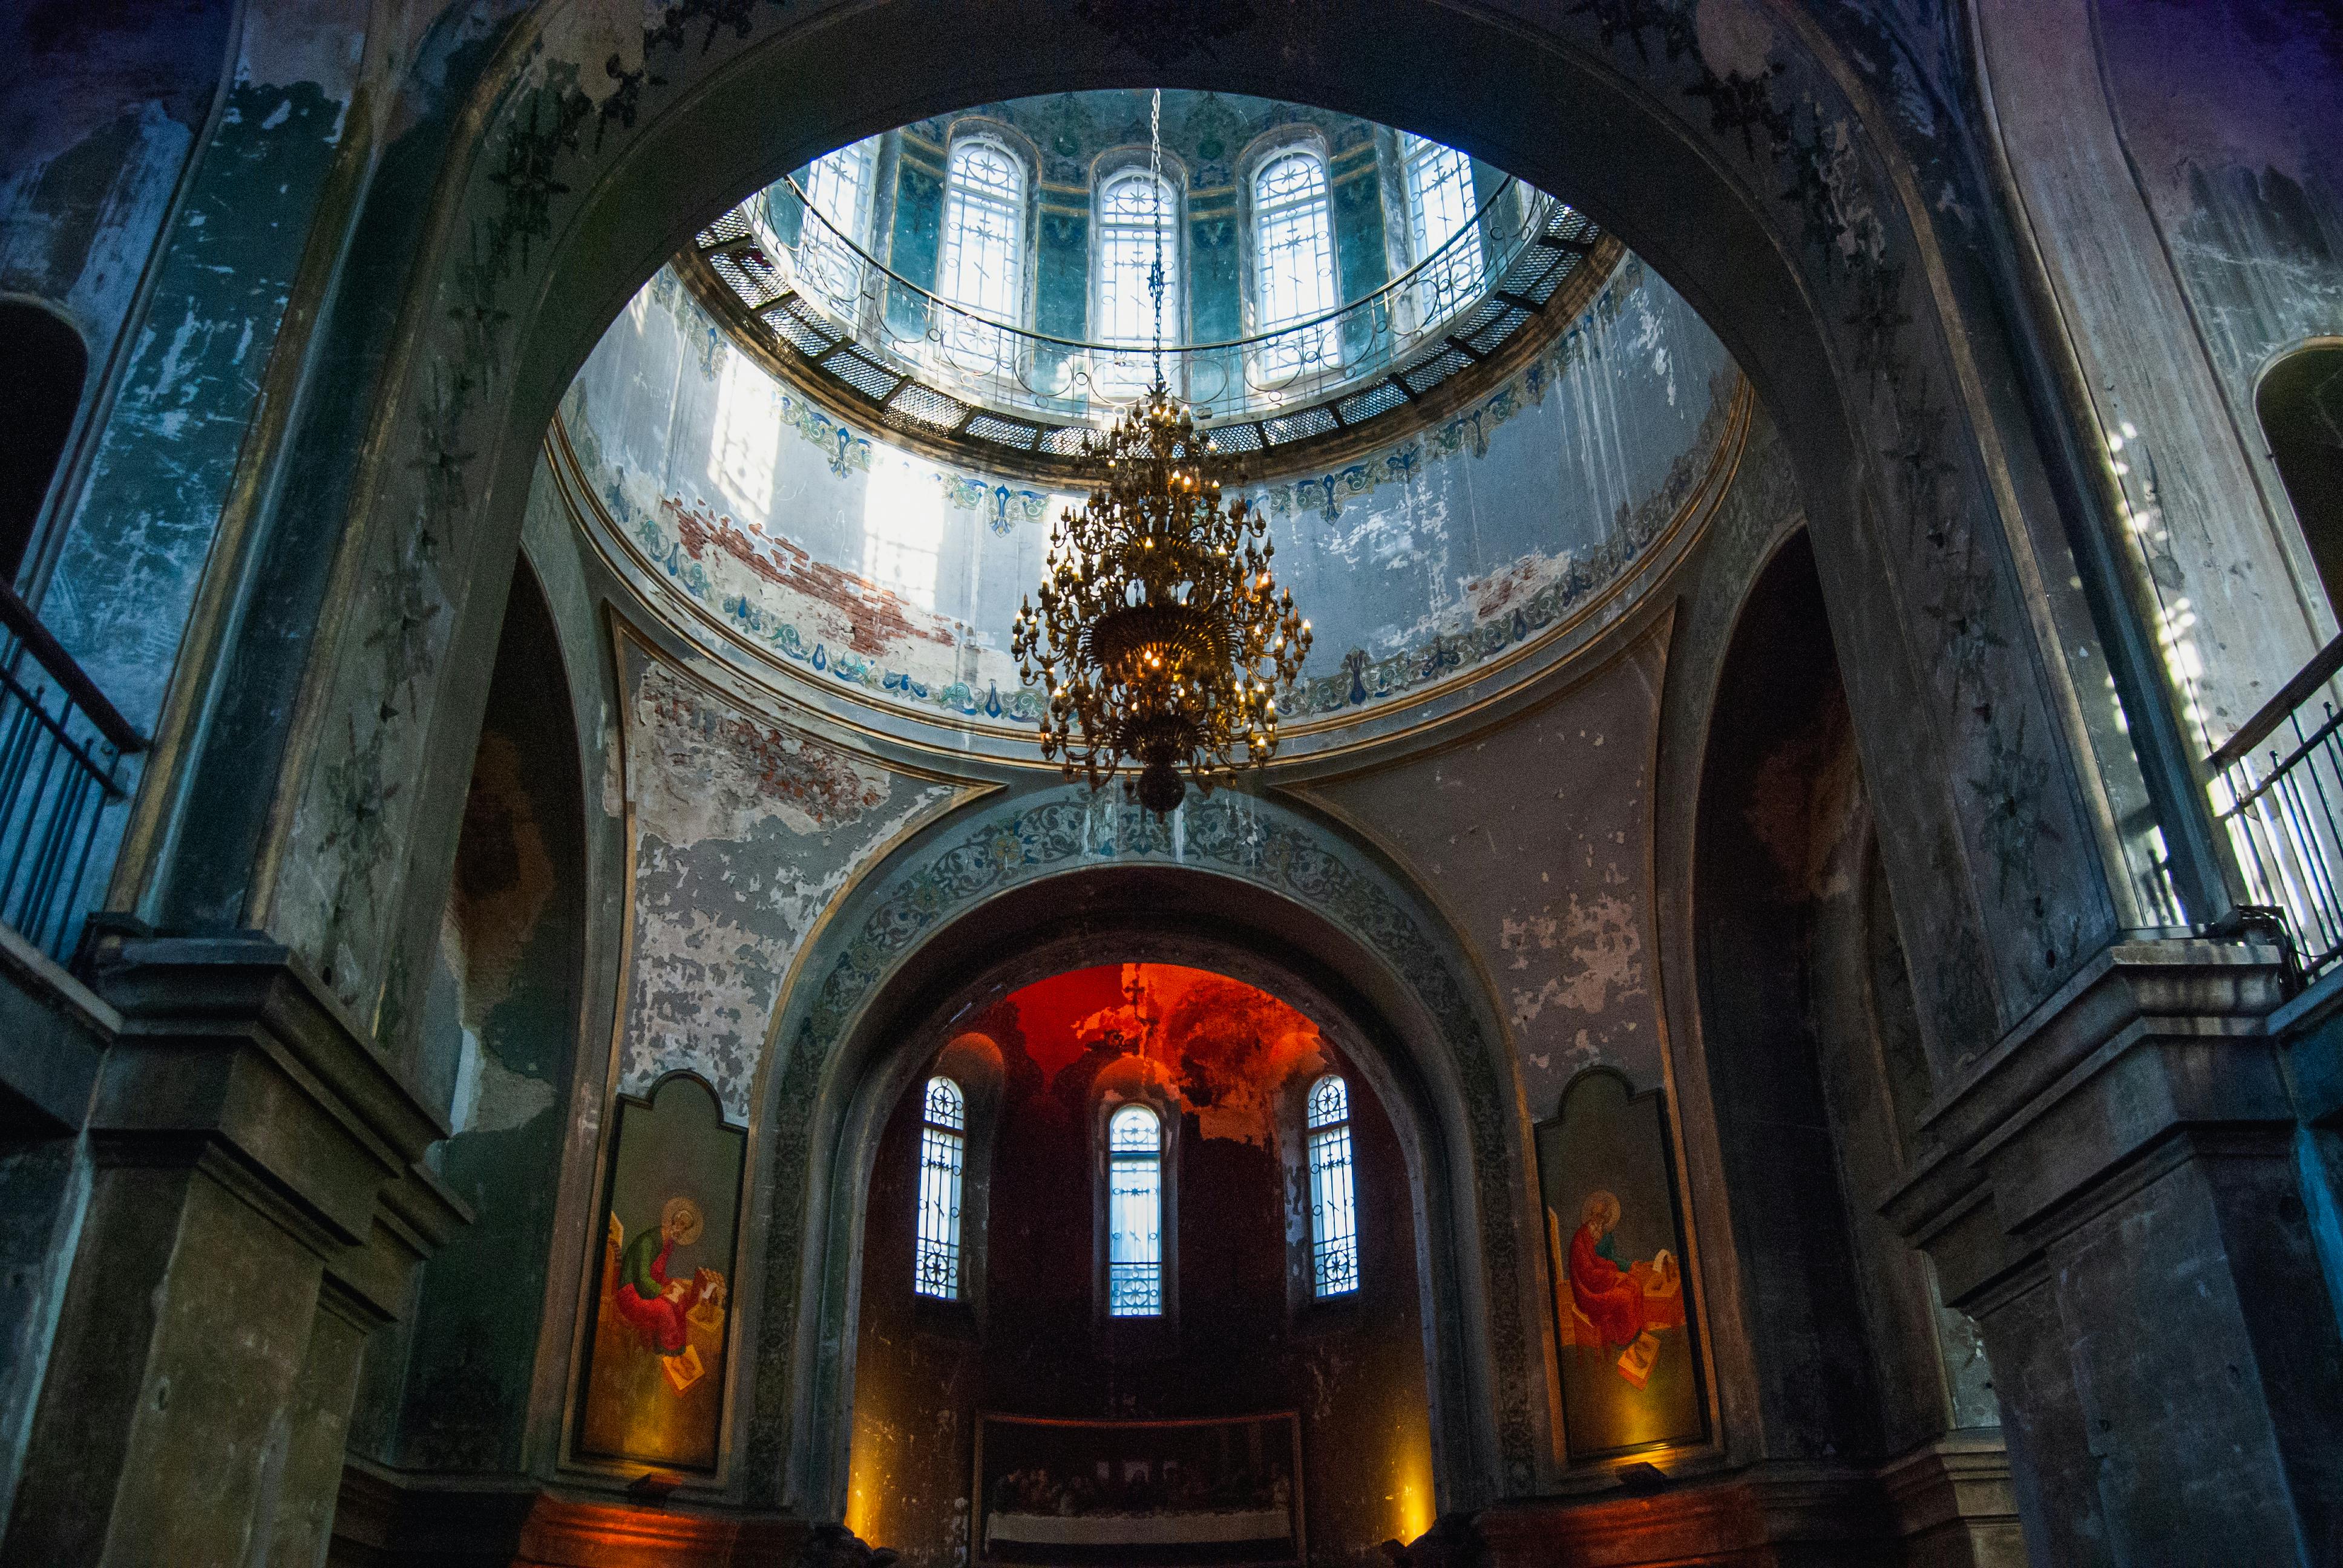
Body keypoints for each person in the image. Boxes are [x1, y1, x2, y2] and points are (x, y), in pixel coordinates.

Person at [609, 1198, 704, 1355]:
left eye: (685, 1228)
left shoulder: (667, 1244)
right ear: (674, 1219)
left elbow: (657, 1274)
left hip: (647, 1290)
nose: (681, 1230)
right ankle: (668, 1352)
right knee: (665, 1310)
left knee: (681, 1300)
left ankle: (669, 1347)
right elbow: (642, 1279)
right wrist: (662, 1290)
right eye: (681, 1224)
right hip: (630, 1293)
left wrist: (670, 1282)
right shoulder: (648, 1242)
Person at [1567, 1190, 1646, 1348]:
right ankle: (1624, 1341)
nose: (1600, 1222)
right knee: (1624, 1297)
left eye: (1603, 1218)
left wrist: (1617, 1271)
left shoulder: (1591, 1236)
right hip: (1588, 1293)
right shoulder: (1580, 1240)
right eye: (1597, 1217)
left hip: (1599, 1283)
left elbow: (1598, 1261)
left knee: (1634, 1285)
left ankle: (1637, 1332)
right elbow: (1588, 1275)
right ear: (1591, 1217)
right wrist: (1615, 1277)